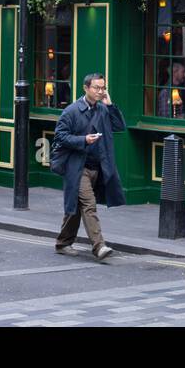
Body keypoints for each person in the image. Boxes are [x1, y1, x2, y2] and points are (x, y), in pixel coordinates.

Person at [51, 72, 126, 261]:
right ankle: (99, 246)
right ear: (86, 88)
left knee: (76, 207)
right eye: (97, 88)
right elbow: (60, 136)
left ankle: (63, 242)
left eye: (103, 88)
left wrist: (110, 105)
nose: (101, 91)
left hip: (97, 167)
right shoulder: (71, 111)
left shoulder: (102, 109)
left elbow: (119, 127)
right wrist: (83, 140)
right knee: (89, 205)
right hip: (77, 168)